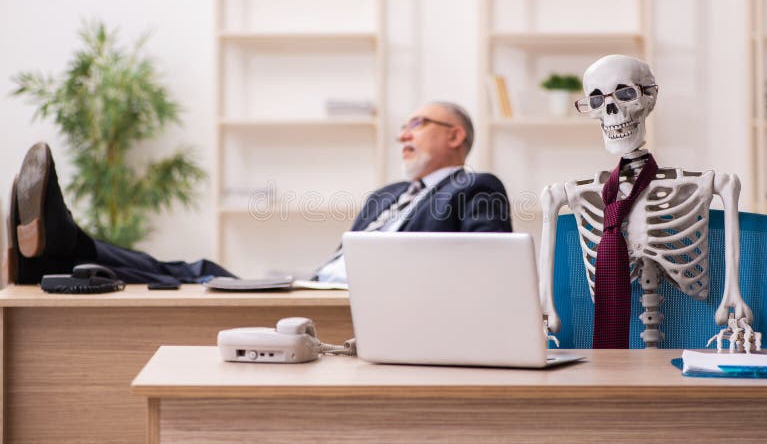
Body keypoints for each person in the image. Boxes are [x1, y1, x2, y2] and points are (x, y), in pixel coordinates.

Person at [3, 102, 512, 287]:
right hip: (320, 288)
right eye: (401, 125)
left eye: (418, 123)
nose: (404, 133)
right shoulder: (386, 194)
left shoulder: (477, 186)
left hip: (364, 304)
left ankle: (64, 247)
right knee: (192, 275)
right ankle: (56, 255)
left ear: (455, 136)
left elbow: (486, 275)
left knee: (198, 277)